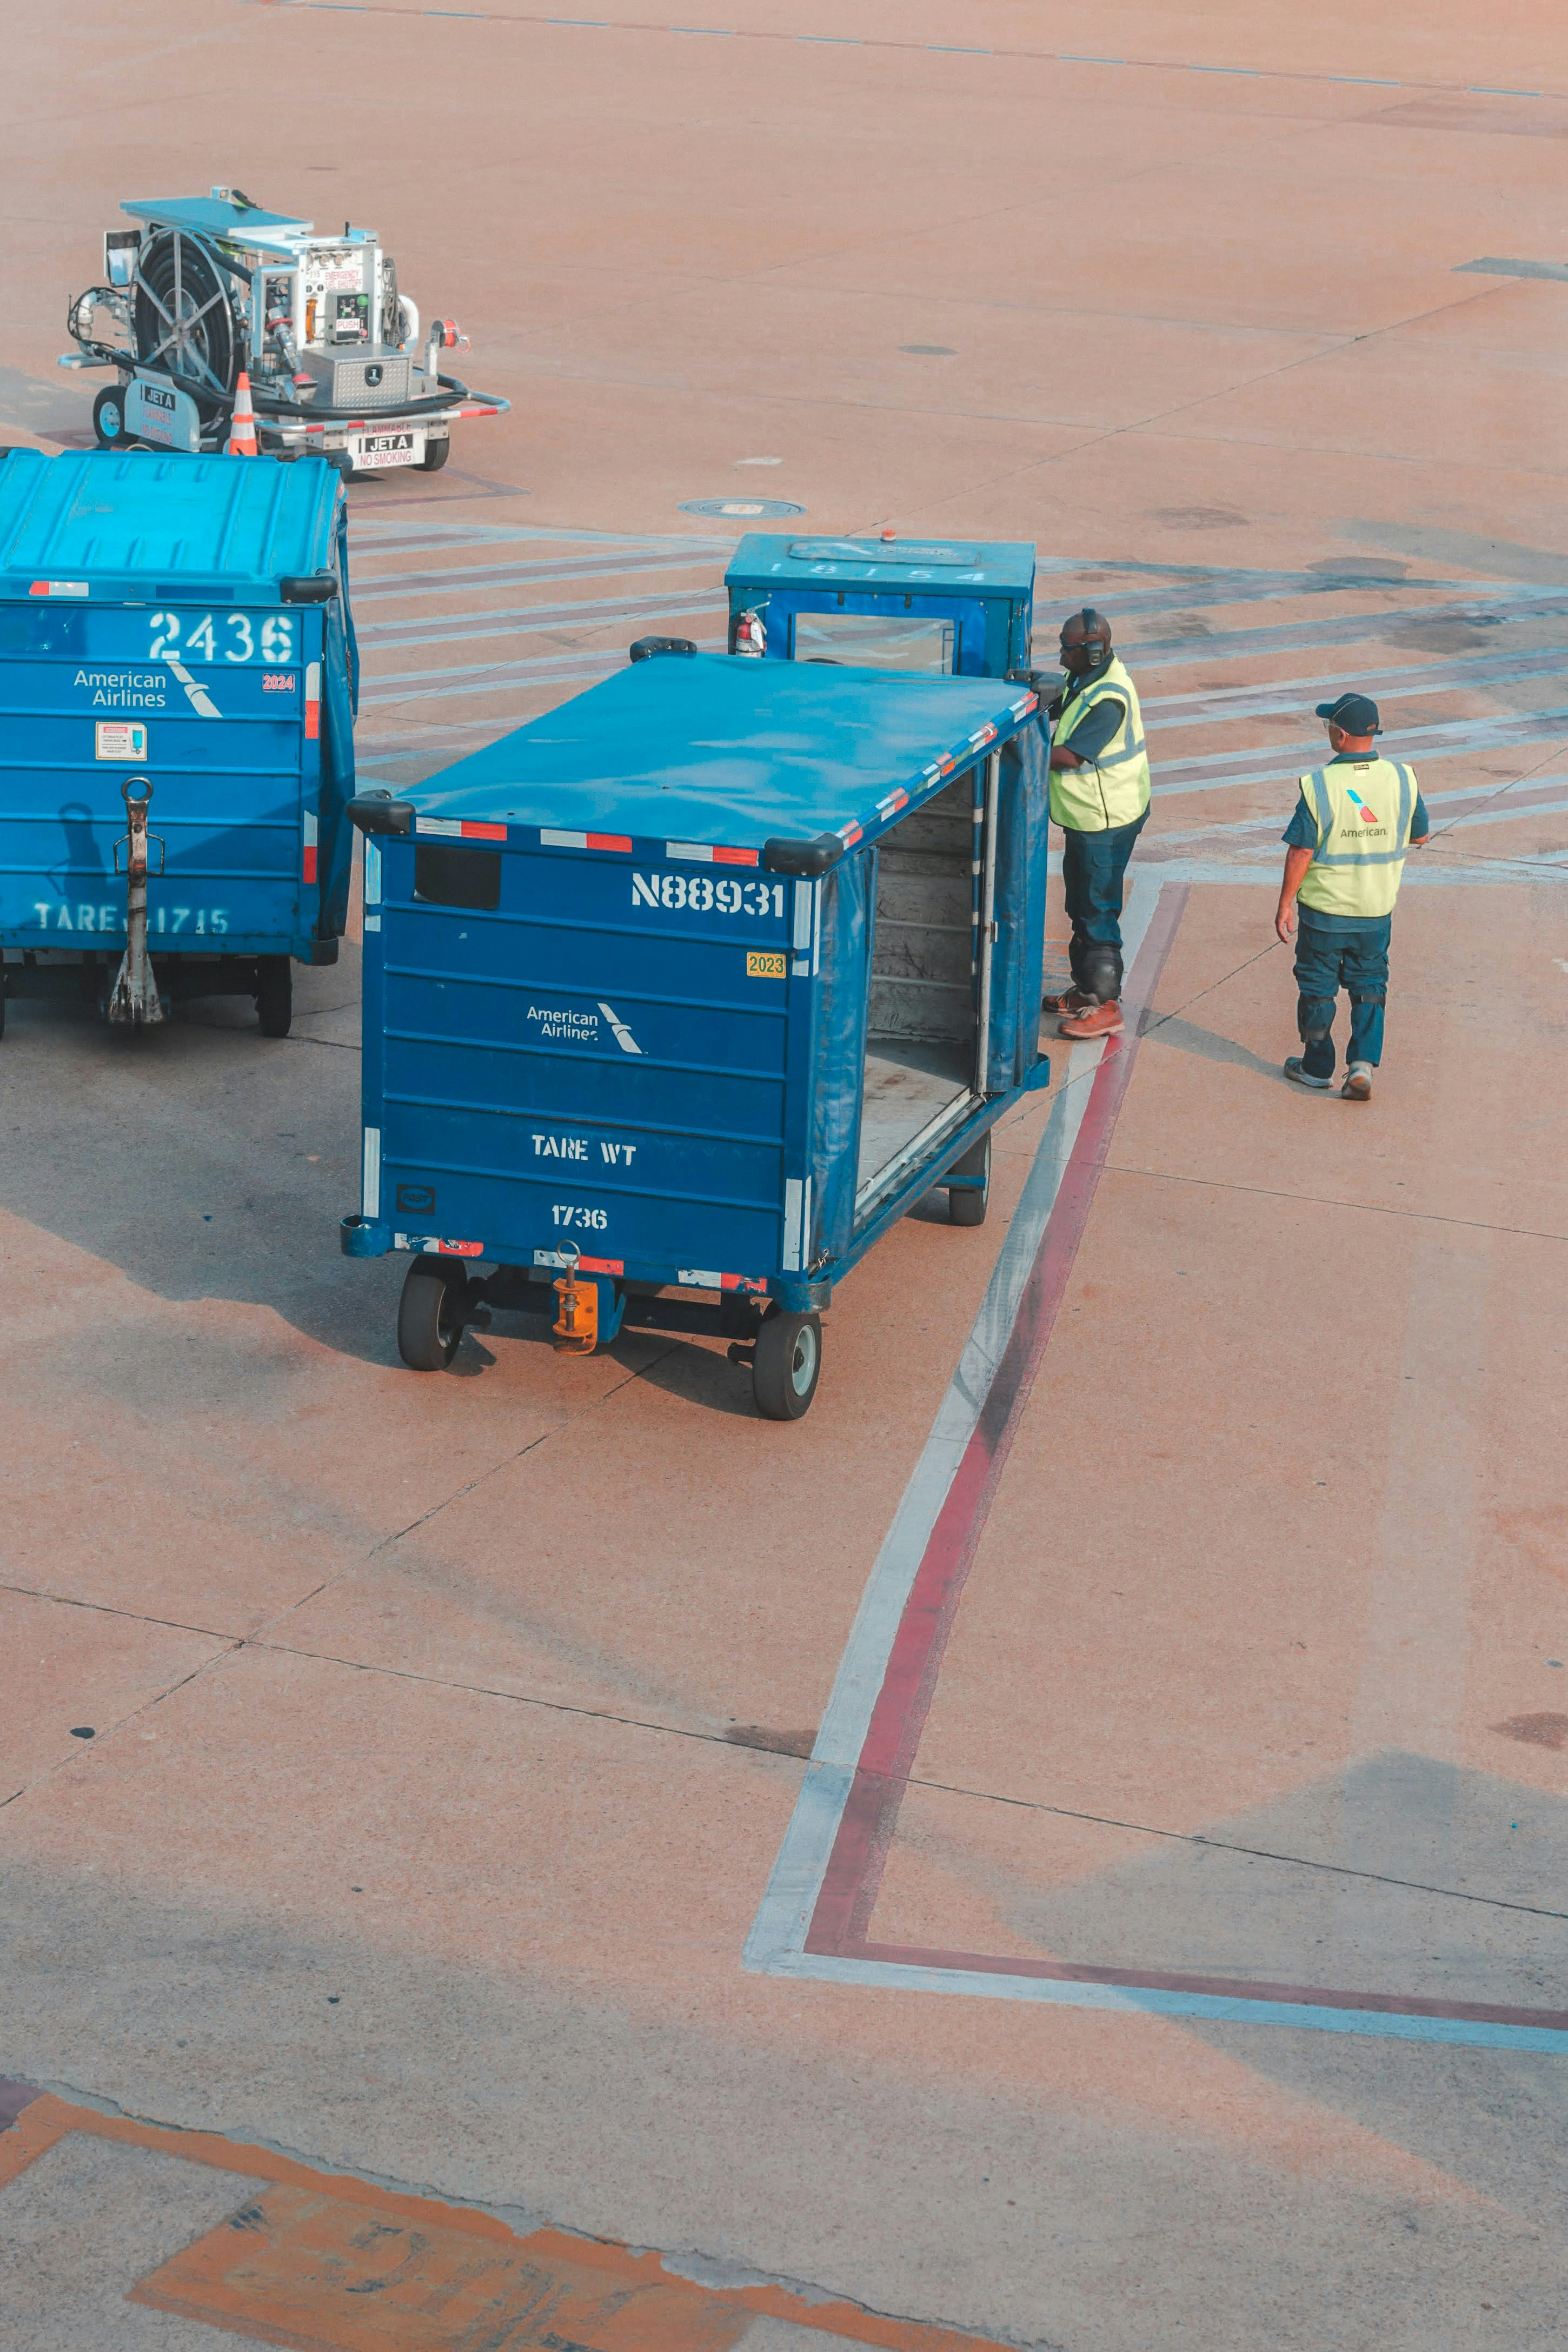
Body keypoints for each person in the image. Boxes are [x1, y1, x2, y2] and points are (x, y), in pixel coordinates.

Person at [1275, 691, 1429, 1103]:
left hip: (1325, 912)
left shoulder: (1320, 785)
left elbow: (1302, 850)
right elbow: (1420, 833)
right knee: (1370, 987)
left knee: (1318, 987)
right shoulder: (1402, 778)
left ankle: (1316, 1067)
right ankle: (1362, 1066)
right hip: (1375, 912)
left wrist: (1285, 903)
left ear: (1340, 736)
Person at [1040, 608, 1151, 1040]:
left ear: (1091, 651)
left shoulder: (1109, 697)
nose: (1061, 657)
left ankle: (1107, 1004)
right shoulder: (1087, 677)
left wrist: (1023, 756)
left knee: (1097, 910)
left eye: (1066, 650)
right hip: (1088, 816)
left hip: (1106, 820)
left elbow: (1069, 755)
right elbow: (1061, 703)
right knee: (1080, 904)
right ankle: (1086, 989)